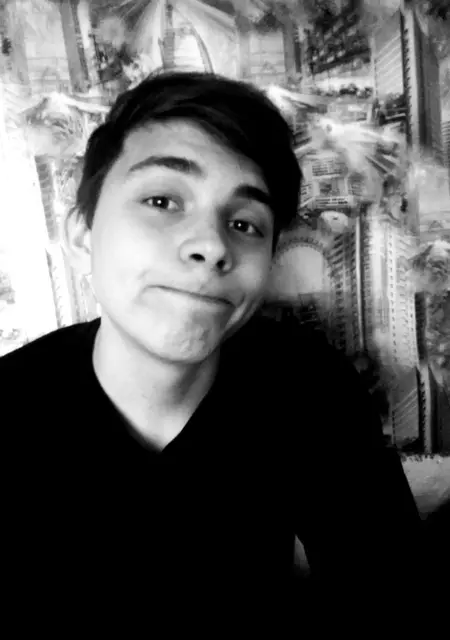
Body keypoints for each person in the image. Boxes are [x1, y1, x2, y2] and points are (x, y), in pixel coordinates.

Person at [2, 71, 427, 635]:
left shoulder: (306, 384)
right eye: (162, 200)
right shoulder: (7, 411)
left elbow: (390, 592)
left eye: (244, 223)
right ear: (82, 235)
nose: (211, 246)